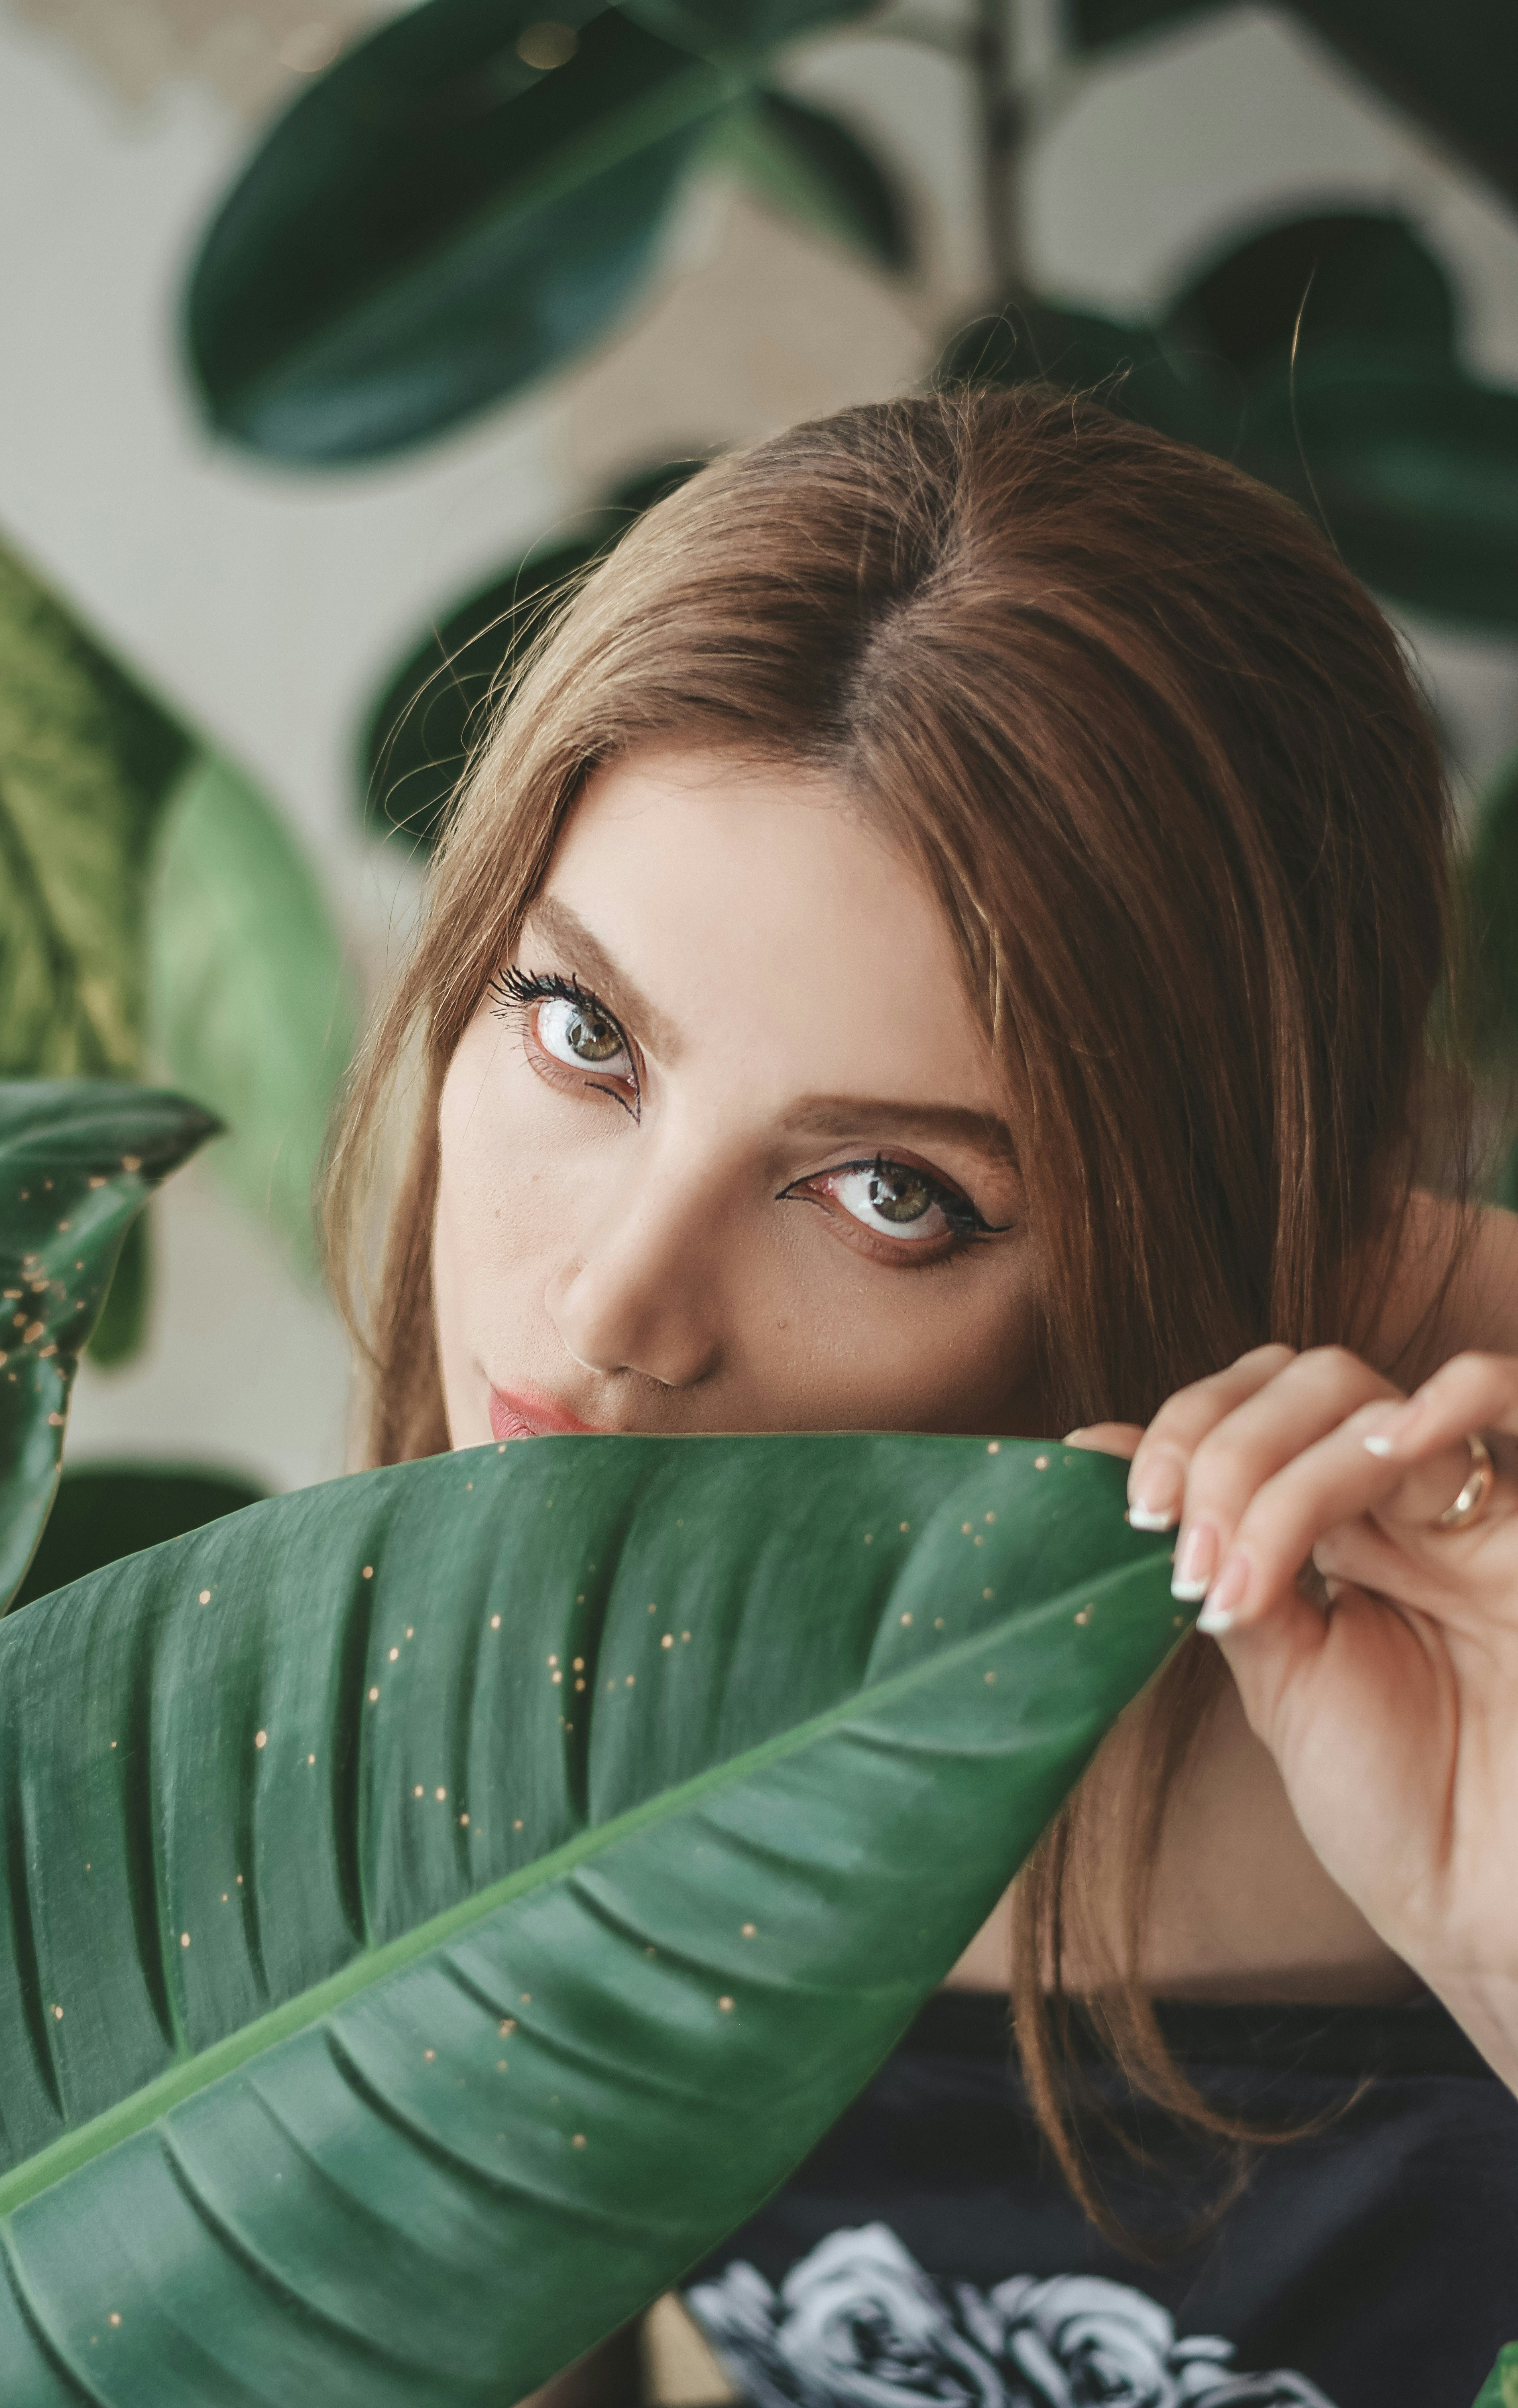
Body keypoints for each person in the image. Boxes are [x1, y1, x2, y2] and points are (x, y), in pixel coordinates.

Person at [330, 388, 1518, 2404]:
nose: (614, 1306)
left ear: (1211, 1224)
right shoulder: (512, 1567)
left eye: (889, 1192)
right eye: (582, 1029)